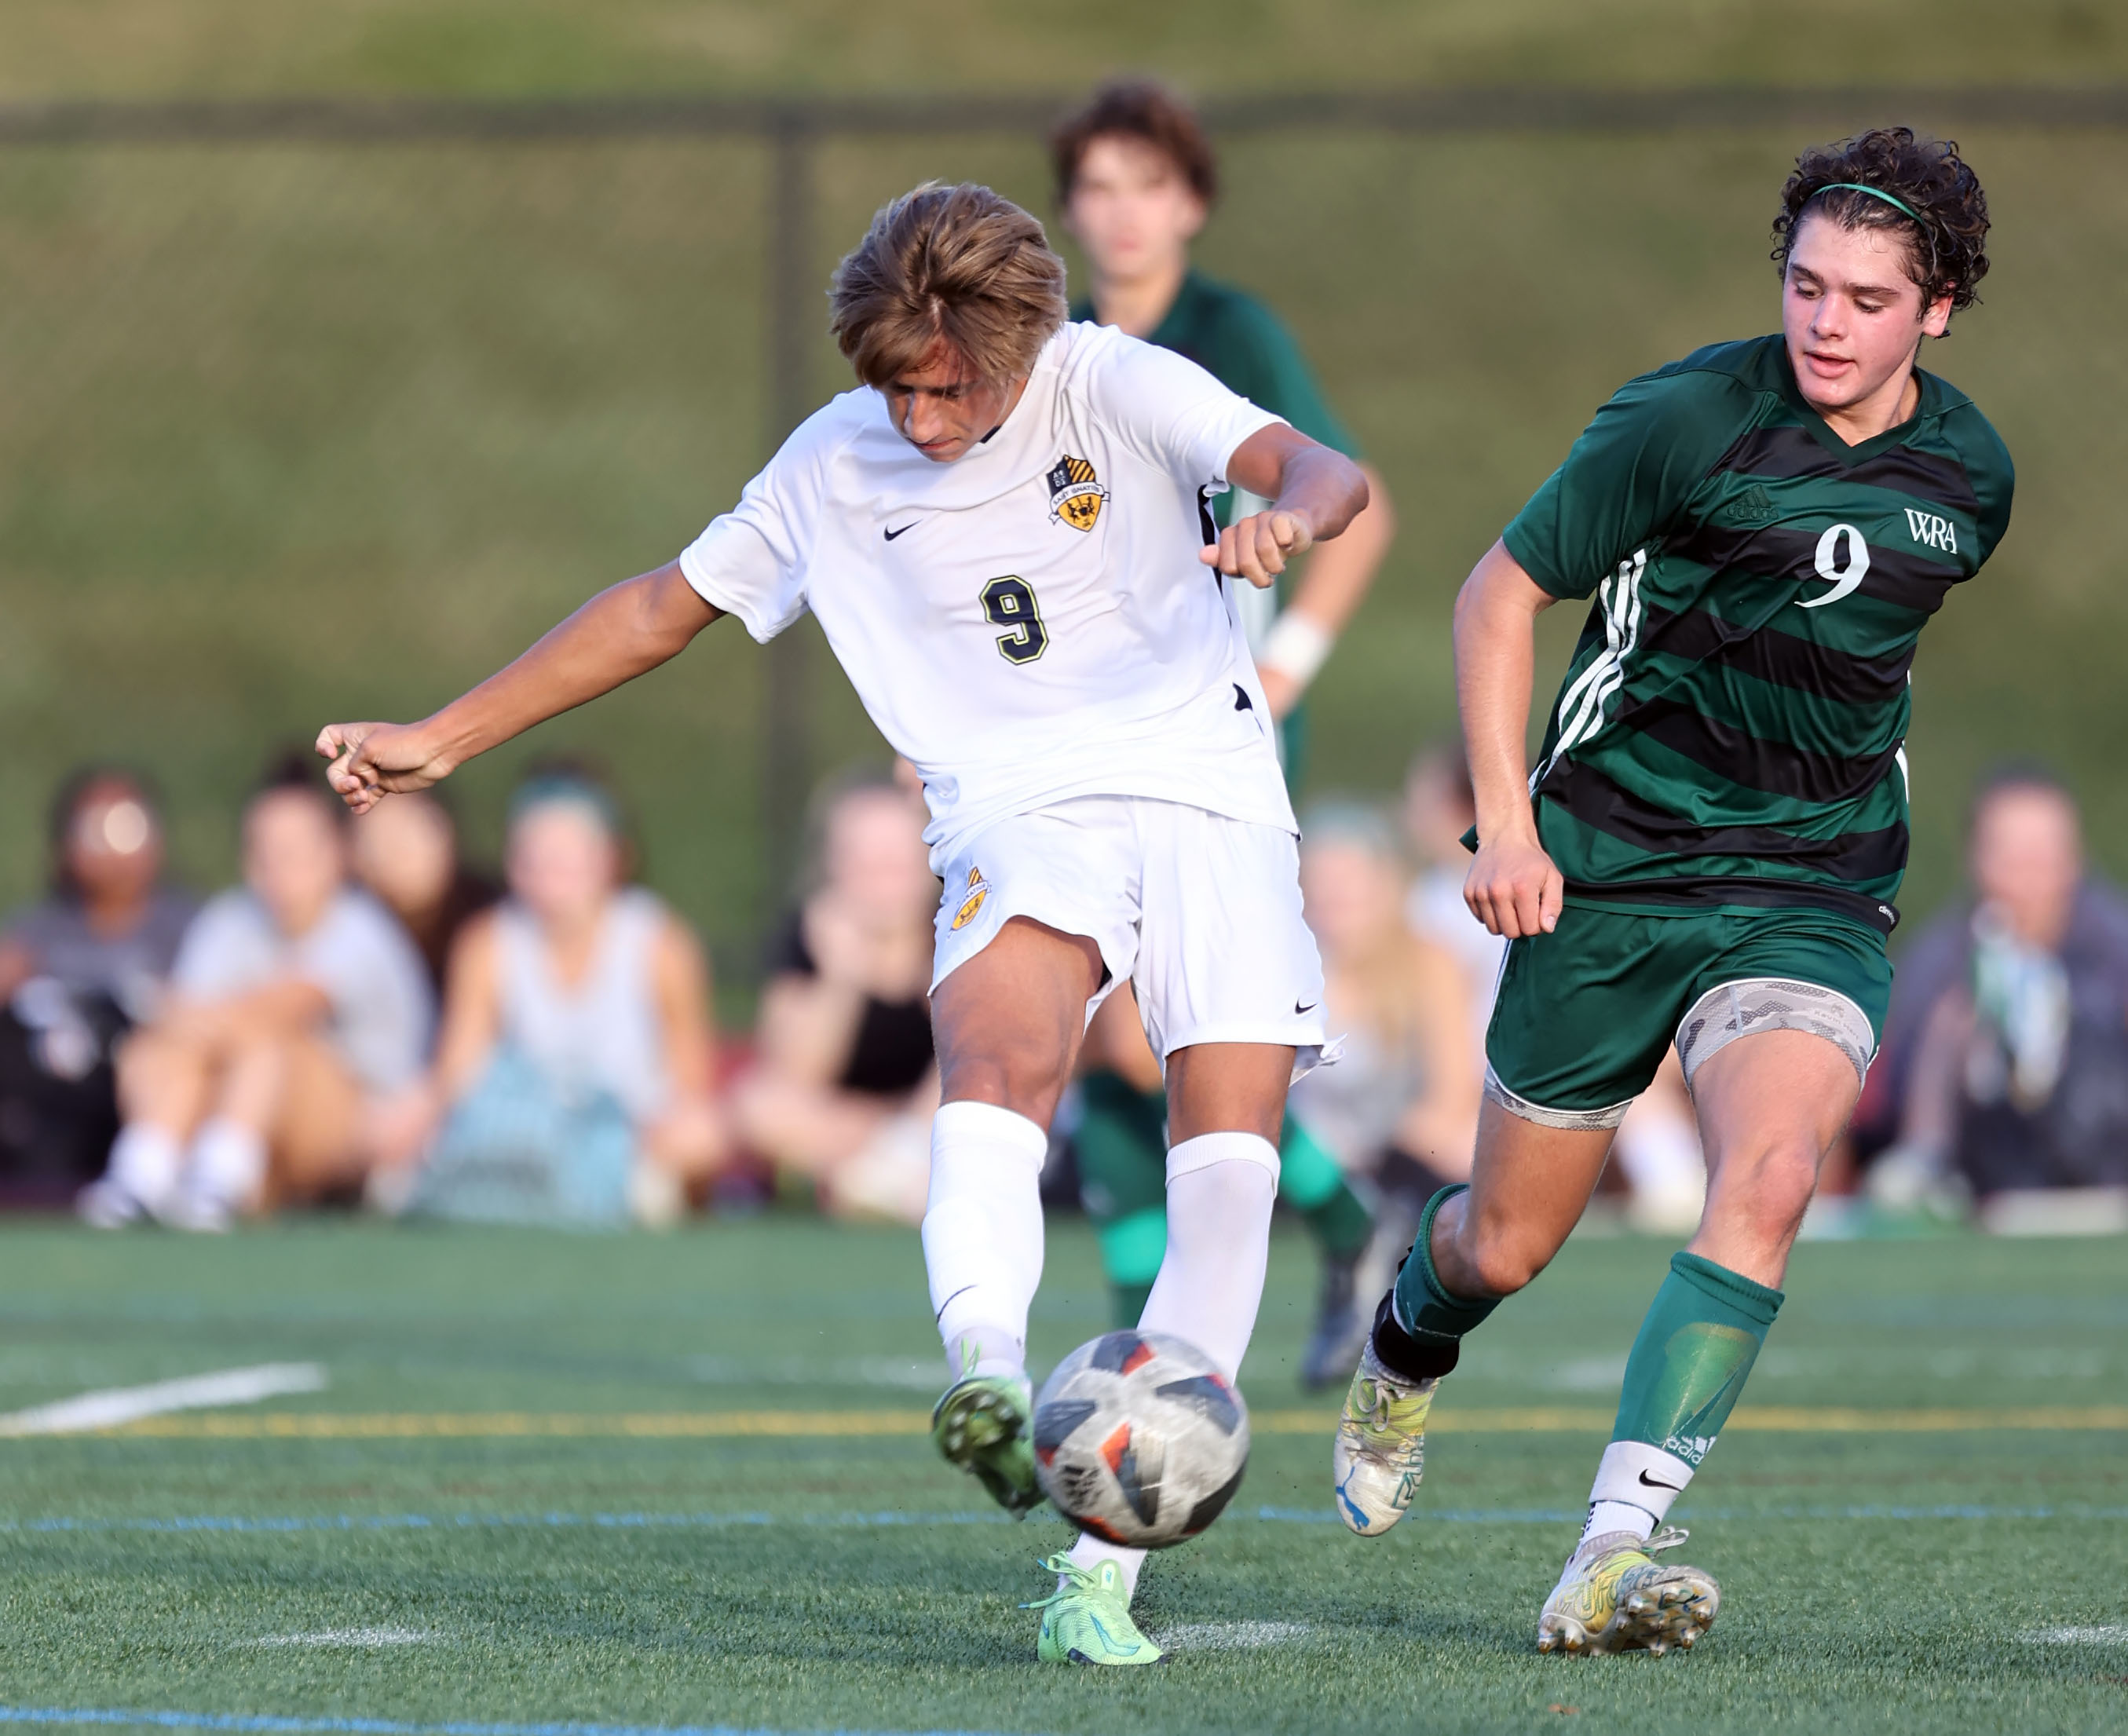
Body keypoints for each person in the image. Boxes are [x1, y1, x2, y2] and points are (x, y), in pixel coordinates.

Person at [316, 180, 1369, 1667]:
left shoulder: (1113, 381)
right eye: (894, 386)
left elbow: (1320, 468)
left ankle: (1100, 1571)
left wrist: (1289, 521)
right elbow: (656, 608)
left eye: (949, 389)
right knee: (997, 1071)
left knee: (1228, 1163)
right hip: (1016, 801)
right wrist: (446, 733)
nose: (922, 418)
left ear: (1019, 346)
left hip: (1208, 782)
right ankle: (991, 1377)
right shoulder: (834, 458)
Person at [1330, 128, 2012, 1657]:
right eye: (1802, 284)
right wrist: (1505, 826)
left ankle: (1606, 1549)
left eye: (1864, 297)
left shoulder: (1967, 478)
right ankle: (1399, 1346)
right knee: (1498, 1245)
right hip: (1607, 867)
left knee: (1767, 1178)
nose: (1823, 322)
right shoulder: (1685, 417)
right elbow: (1497, 592)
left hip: (1808, 884)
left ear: (1938, 309)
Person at [1051, 79, 1400, 1374]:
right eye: (1098, 186)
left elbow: (1359, 500)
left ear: (1190, 201)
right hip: (1080, 739)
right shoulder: (1057, 342)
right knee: (1103, 1025)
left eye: (1148, 184)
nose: (1122, 211)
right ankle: (1279, 1254)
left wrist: (1293, 659)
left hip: (1212, 739)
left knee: (1161, 1034)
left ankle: (1256, 1266)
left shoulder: (1225, 332)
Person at [85, 755, 433, 1229]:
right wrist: (174, 1023)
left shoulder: (360, 929)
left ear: (334, 853)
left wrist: (175, 1014)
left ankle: (217, 1177)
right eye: (263, 850)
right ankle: (145, 1172)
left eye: (292, 851)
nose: (275, 867)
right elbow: (183, 1029)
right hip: (257, 1122)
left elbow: (283, 1005)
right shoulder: (229, 919)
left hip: (358, 1134)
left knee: (267, 1042)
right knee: (157, 1052)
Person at [389, 768, 725, 1228]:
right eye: (534, 859)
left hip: (633, 1132)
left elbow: (689, 1087)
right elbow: (458, 1077)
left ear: (609, 859)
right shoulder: (488, 943)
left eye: (566, 860)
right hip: (522, 1128)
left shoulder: (661, 943)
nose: (549, 876)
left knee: (701, 1138)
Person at [1872, 767, 2128, 1205]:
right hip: (1983, 1191)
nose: (2029, 879)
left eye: (2044, 856)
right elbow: (1894, 1101)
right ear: (1976, 859)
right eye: (2012, 858)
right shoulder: (1937, 963)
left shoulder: (2115, 947)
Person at [735, 773, 939, 1224]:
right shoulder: (809, 936)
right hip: (847, 1125)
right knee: (758, 1107)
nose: (881, 883)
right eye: (863, 865)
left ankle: (888, 1172)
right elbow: (792, 1077)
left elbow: (973, 1060)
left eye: (895, 864)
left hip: (934, 1120)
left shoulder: (955, 930)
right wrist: (842, 977)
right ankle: (886, 1175)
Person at [0, 770, 196, 1202]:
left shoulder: (190, 930)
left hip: (149, 1106)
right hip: (50, 1115)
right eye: (95, 830)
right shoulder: (35, 933)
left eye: (127, 827)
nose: (113, 849)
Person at [1285, 801, 1479, 1225]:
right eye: (1319, 880)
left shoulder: (1429, 963)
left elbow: (1452, 1097)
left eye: (1347, 880)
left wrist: (1365, 1157)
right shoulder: (1283, 966)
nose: (1331, 895)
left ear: (1384, 884)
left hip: (1402, 1162)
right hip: (1301, 1166)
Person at [349, 790, 499, 994]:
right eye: (377, 838)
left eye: (410, 828)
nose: (398, 851)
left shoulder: (497, 919)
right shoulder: (349, 930)